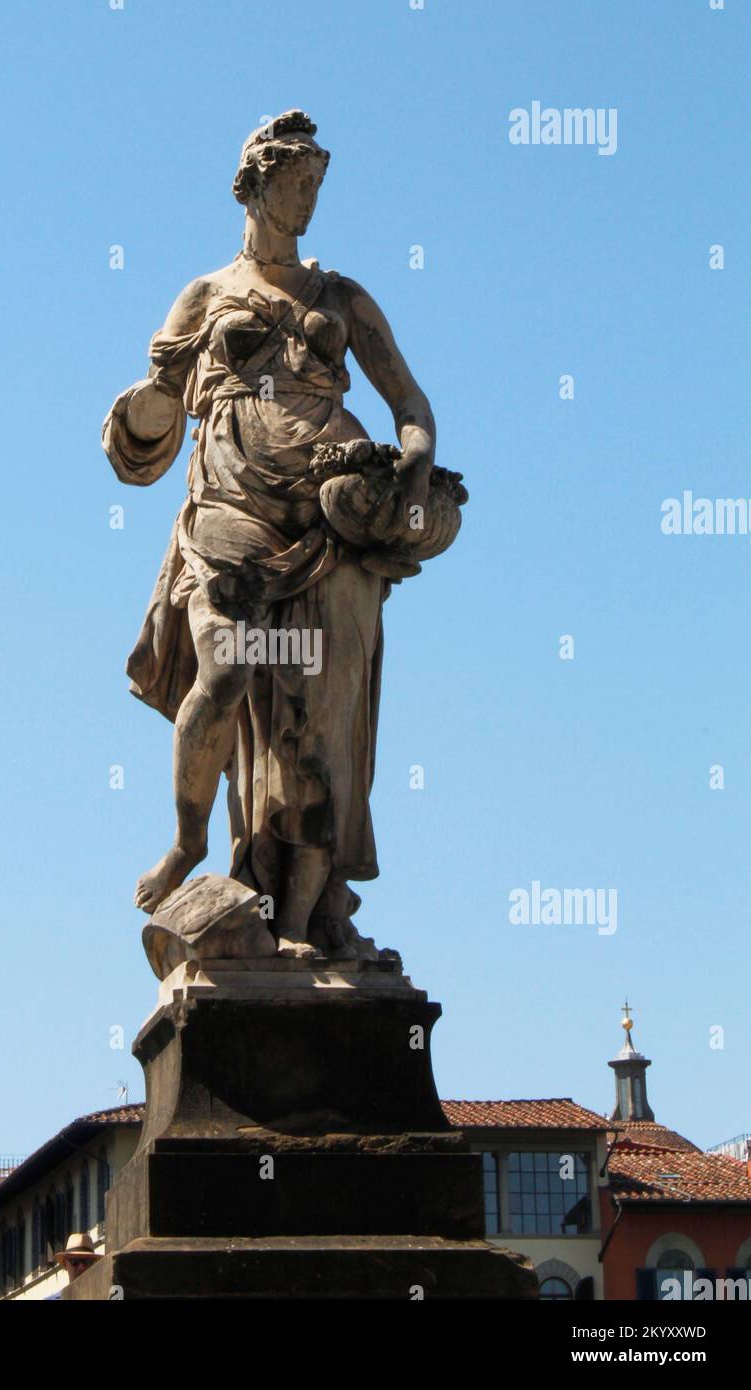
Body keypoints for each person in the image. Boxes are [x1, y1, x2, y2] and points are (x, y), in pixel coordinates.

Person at [103, 110, 445, 960]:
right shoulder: (207, 295)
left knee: (316, 724)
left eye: (317, 186)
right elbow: (140, 444)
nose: (308, 200)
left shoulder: (342, 296)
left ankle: (300, 916)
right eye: (295, 183)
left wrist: (412, 464)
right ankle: (187, 840)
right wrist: (153, 394)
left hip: (332, 523)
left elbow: (409, 403)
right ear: (253, 185)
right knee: (223, 674)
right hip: (230, 508)